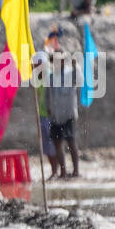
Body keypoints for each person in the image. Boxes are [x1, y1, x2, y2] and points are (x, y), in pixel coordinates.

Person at [33, 26, 81, 178]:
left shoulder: (69, 73)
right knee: (57, 144)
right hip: (54, 115)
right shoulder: (51, 77)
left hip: (68, 115)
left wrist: (76, 66)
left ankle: (76, 171)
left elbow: (80, 80)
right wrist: (48, 108)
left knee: (71, 142)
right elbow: (47, 95)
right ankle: (63, 172)